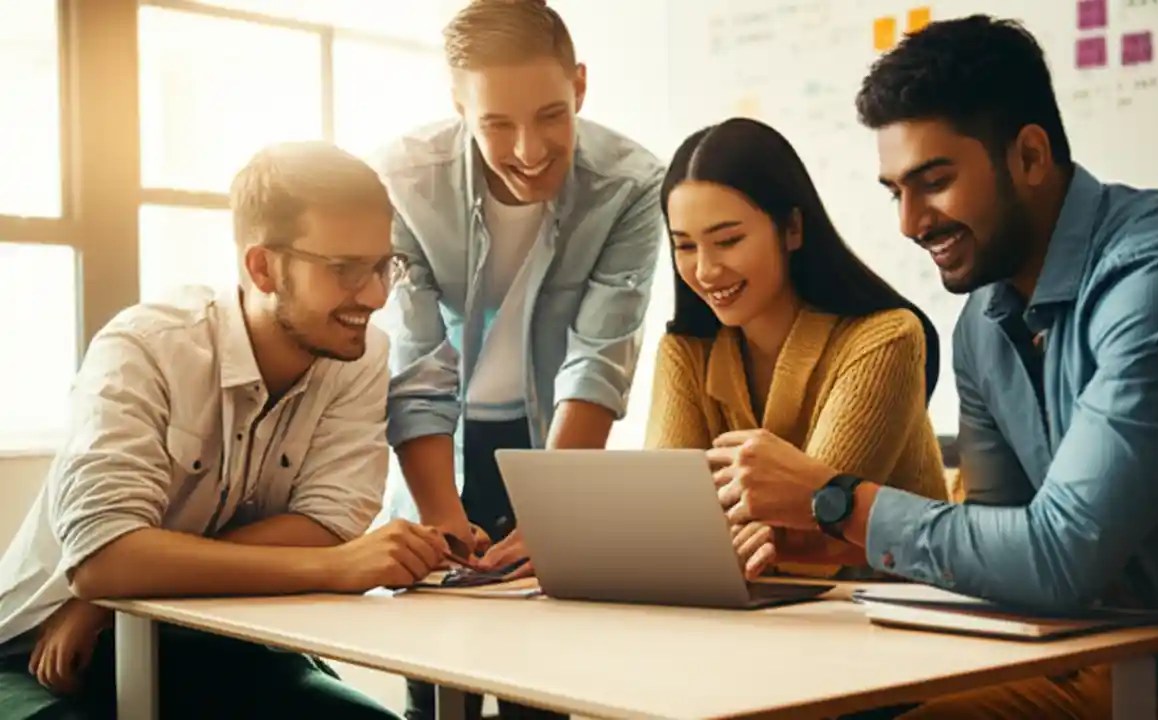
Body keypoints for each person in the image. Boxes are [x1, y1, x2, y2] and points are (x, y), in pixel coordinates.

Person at [710, 15, 1158, 719]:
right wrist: (833, 541)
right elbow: (1001, 556)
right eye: (896, 191)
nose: (910, 222)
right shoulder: (984, 324)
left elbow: (1057, 557)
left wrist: (837, 499)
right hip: (1097, 670)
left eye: (935, 182)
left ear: (1031, 158)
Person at [0, 142, 451, 719]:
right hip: (39, 654)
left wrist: (117, 599)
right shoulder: (146, 347)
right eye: (344, 270)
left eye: (384, 265)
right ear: (262, 267)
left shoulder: (359, 356)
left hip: (220, 643)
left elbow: (325, 524)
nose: (376, 295)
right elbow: (102, 559)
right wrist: (337, 568)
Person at [369, 0, 664, 716]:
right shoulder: (405, 178)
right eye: (497, 124)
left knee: (542, 687)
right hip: (437, 448)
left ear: (581, 87)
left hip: (554, 446)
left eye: (551, 116)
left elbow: (599, 357)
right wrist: (442, 515)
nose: (530, 149)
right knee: (438, 684)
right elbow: (417, 364)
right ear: (459, 106)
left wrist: (553, 513)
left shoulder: (632, 184)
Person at [646, 117, 947, 580]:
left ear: (792, 229)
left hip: (883, 618)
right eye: (684, 246)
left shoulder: (885, 338)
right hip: (750, 622)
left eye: (728, 241)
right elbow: (665, 524)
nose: (705, 271)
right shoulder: (686, 350)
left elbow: (812, 532)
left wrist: (722, 536)